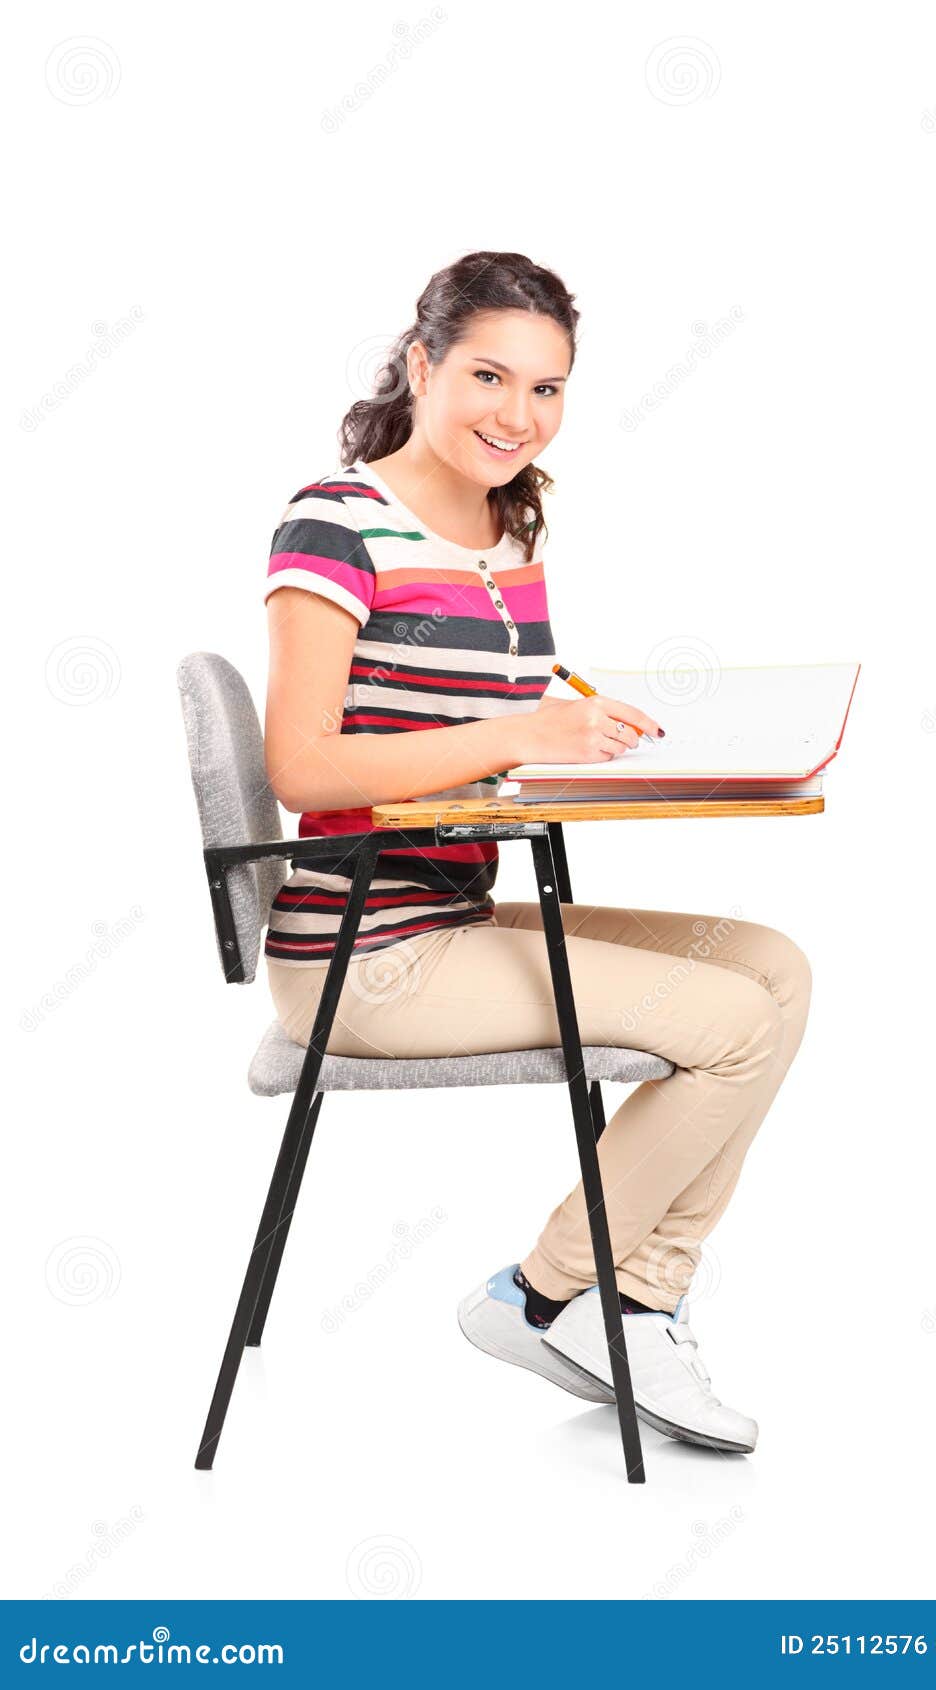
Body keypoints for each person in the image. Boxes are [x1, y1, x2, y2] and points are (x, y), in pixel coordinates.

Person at [262, 250, 812, 1454]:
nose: (518, 415)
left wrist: (612, 736)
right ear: (422, 364)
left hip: (448, 912)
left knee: (772, 966)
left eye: (548, 389)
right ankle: (557, 1296)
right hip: (363, 952)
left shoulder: (510, 525)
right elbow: (303, 766)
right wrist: (520, 732)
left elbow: (468, 735)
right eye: (489, 376)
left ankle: (631, 1297)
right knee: (729, 1023)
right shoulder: (337, 520)